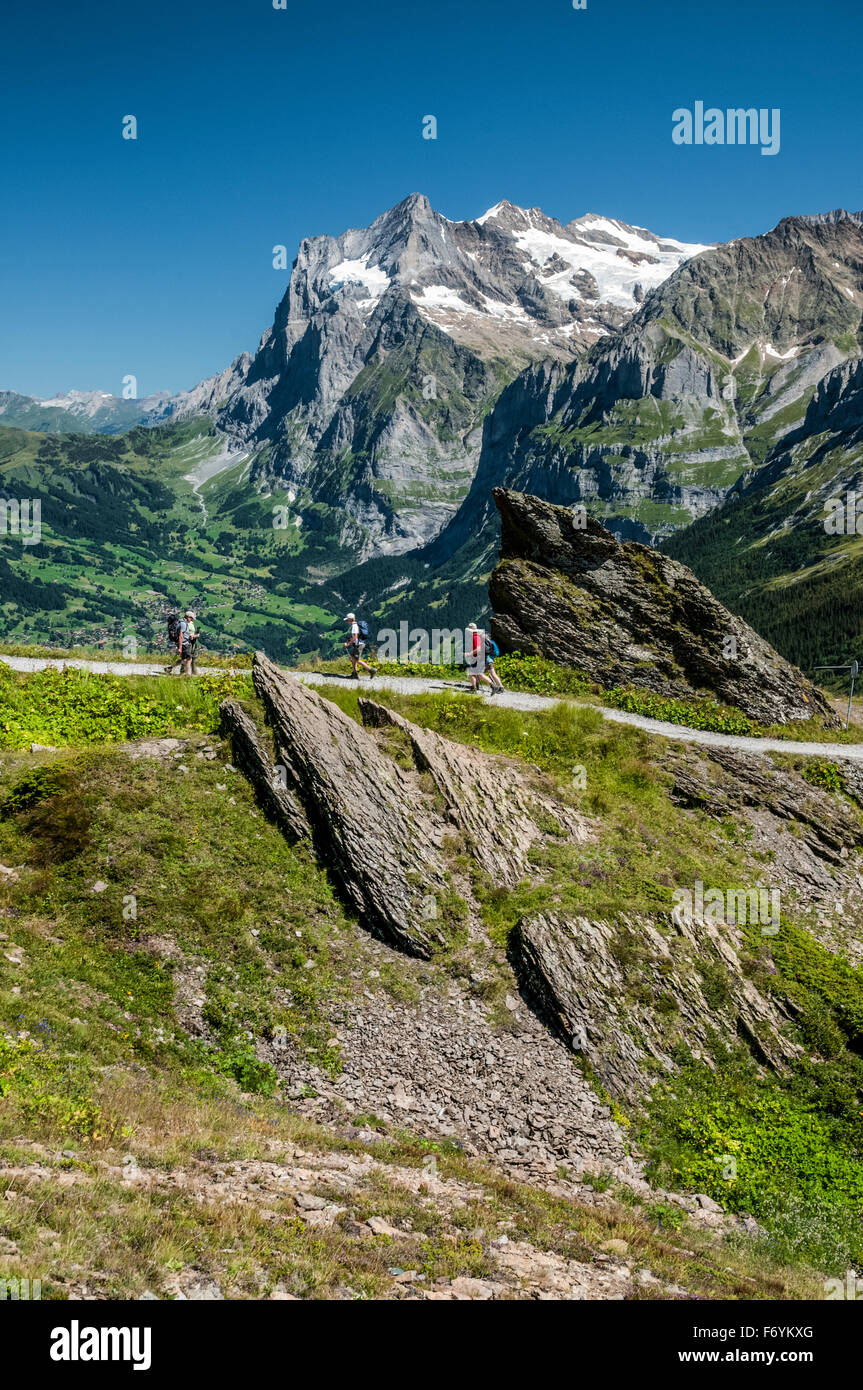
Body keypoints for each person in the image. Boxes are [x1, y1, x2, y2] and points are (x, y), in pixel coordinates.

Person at [343, 612, 376, 680]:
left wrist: (348, 643)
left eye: (347, 620)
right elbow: (356, 637)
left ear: (351, 619)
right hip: (358, 644)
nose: (347, 621)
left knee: (357, 660)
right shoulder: (355, 625)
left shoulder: (354, 626)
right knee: (353, 658)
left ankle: (371, 670)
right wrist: (350, 639)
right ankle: (354, 674)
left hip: (358, 645)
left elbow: (355, 637)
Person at [465, 622, 494, 694]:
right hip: (478, 658)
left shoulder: (475, 637)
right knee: (474, 673)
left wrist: (469, 654)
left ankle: (492, 686)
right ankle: (474, 688)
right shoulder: (477, 636)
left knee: (476, 673)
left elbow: (478, 649)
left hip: (478, 658)